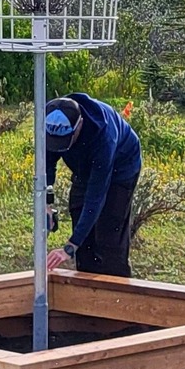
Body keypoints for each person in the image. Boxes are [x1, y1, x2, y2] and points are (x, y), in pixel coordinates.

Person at [42, 93, 142, 277]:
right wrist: (46, 204)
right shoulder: (51, 119)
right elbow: (47, 163)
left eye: (65, 141)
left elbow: (96, 196)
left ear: (79, 124)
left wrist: (69, 247)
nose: (60, 146)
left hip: (121, 167)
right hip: (84, 167)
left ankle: (117, 296)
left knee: (109, 235)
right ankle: (87, 294)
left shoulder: (104, 136)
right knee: (80, 219)